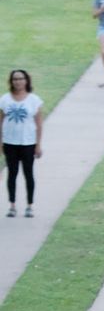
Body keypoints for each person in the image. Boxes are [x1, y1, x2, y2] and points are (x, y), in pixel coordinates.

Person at [2, 69, 43, 219]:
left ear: (26, 81)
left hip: (28, 143)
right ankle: (12, 205)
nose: (18, 82)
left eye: (20, 78)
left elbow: (39, 124)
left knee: (28, 174)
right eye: (15, 79)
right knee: (12, 174)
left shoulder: (34, 100)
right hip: (10, 143)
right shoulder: (5, 99)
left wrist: (38, 145)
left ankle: (29, 205)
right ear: (11, 81)